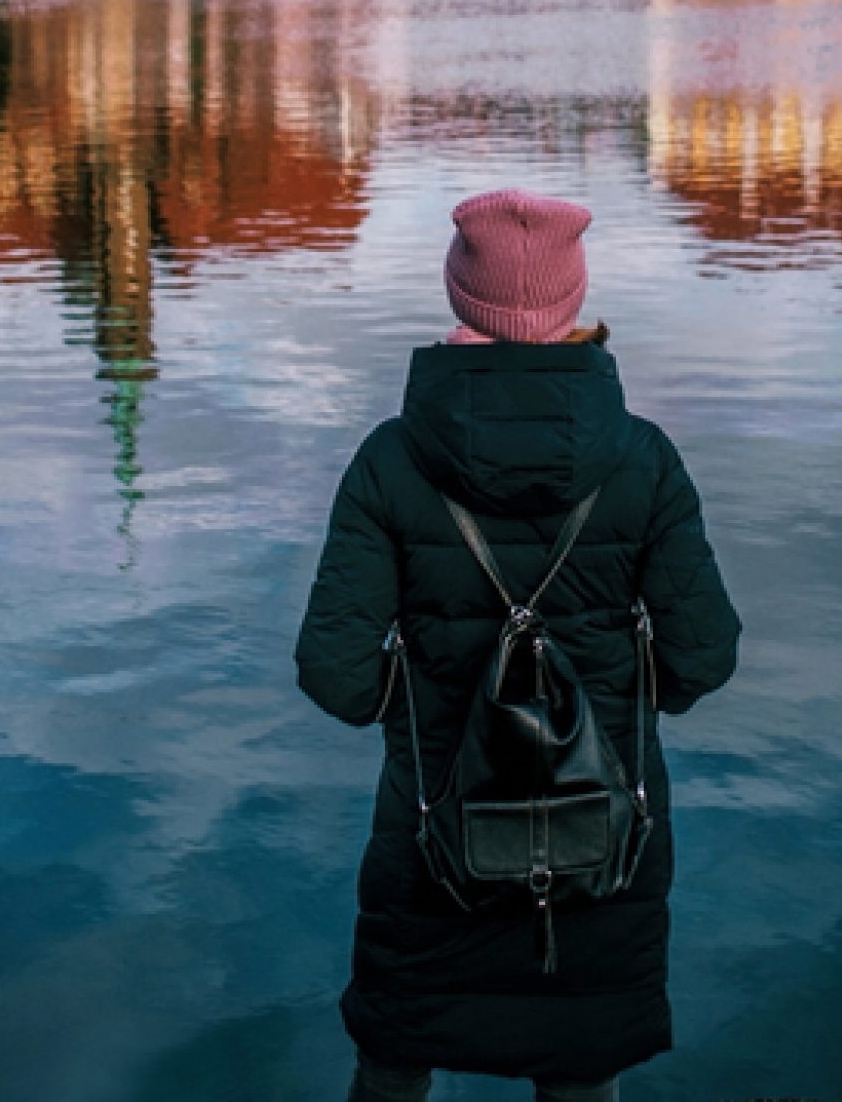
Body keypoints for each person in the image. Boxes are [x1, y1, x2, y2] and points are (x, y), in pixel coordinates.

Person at [296, 189, 742, 1101]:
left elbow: (335, 673)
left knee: (396, 1062)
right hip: (599, 822)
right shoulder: (643, 458)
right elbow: (704, 656)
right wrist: (612, 692)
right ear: (574, 301)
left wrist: (420, 699)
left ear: (462, 296)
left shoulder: (390, 460)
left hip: (434, 828)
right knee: (577, 1059)